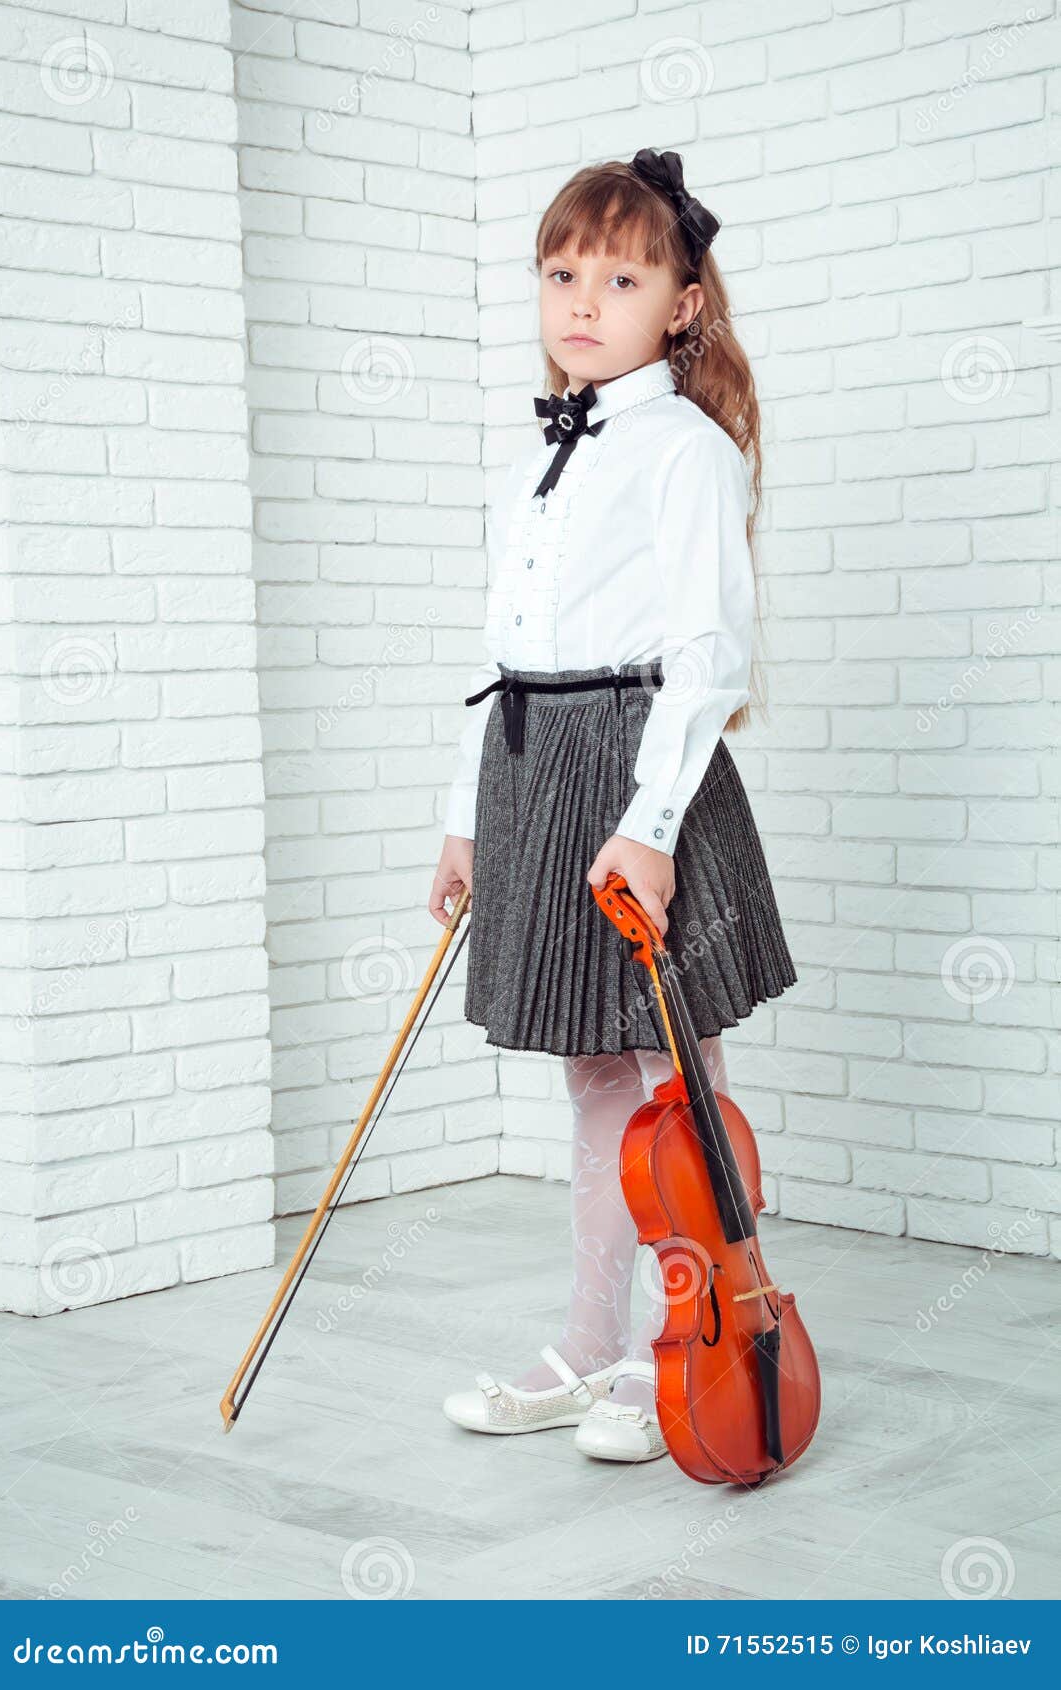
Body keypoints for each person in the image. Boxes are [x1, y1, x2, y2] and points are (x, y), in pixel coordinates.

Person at [428, 148, 797, 1464]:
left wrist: (648, 823)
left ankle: (681, 1344)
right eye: (561, 271)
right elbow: (499, 648)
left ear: (680, 303)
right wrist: (465, 814)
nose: (584, 299)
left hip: (641, 770)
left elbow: (710, 653)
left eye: (622, 275)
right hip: (535, 765)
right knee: (590, 1071)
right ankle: (591, 1341)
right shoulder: (540, 452)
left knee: (670, 1078)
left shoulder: (684, 450)